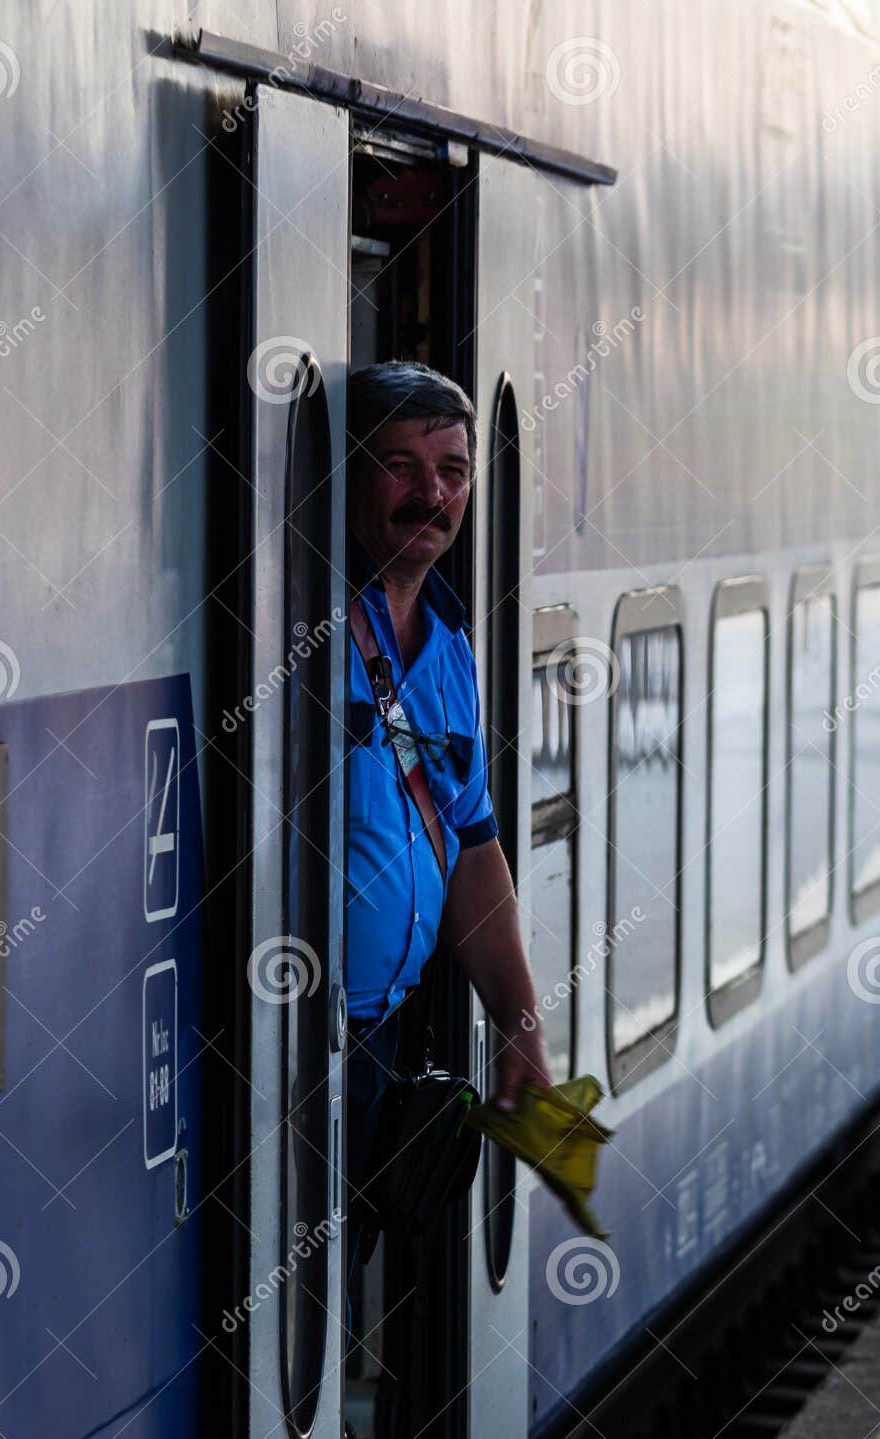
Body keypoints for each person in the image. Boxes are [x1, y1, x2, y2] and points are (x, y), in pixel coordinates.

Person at [344, 361, 552, 1294]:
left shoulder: (448, 640)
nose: (432, 494)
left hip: (381, 1049)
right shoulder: (298, 630)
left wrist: (518, 1021)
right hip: (294, 1051)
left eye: (453, 471)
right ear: (344, 474)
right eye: (400, 465)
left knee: (344, 1280)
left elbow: (469, 839)